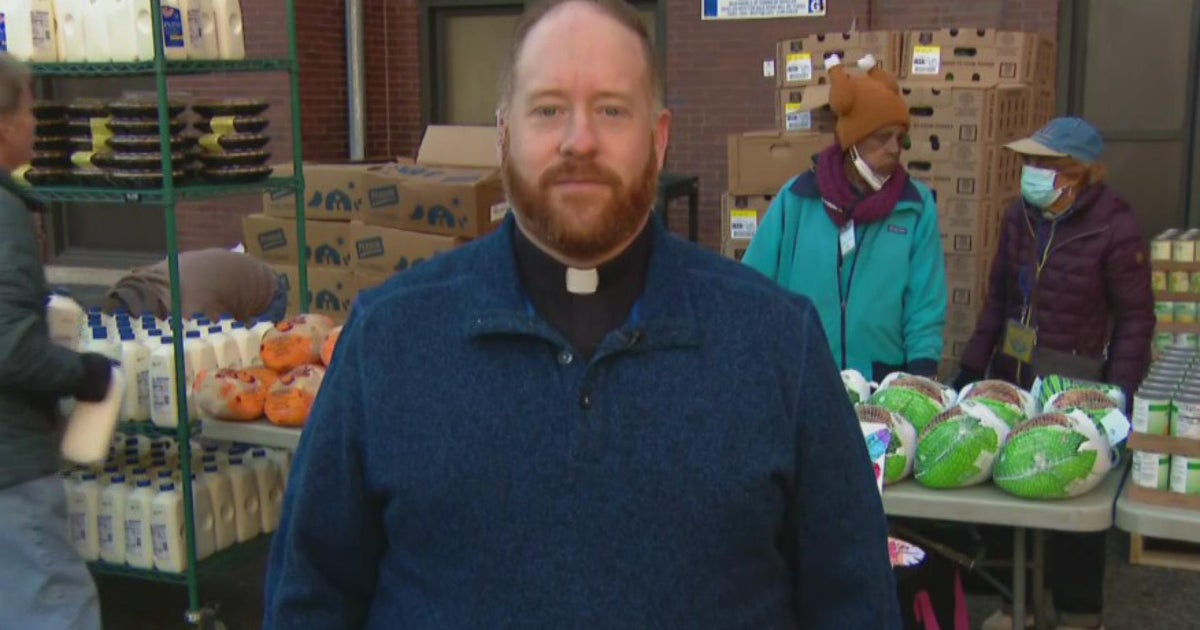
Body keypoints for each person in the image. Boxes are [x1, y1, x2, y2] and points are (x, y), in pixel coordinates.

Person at [263, 0, 900, 627]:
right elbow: (308, 598)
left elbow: (855, 601)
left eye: (611, 110)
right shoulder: (389, 340)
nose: (580, 140)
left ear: (659, 137)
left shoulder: (775, 343)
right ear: (505, 132)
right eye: (548, 110)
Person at [955, 117, 1154, 630]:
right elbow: (999, 298)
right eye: (1028, 162)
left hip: (1080, 386)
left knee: (1070, 506)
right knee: (1009, 491)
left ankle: (1079, 614)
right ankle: (1015, 603)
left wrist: (1121, 394)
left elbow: (1135, 318)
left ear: (1075, 171)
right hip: (1015, 378)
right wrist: (973, 364)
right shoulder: (1018, 216)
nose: (1030, 172)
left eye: (1041, 163)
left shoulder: (1115, 224)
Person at [742, 54, 947, 383]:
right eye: (883, 138)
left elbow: (926, 300)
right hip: (803, 375)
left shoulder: (916, 207)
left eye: (901, 138)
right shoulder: (797, 199)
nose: (895, 148)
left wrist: (922, 374)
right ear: (852, 142)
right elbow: (752, 287)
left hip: (884, 382)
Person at [0, 54, 109, 630]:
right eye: (30, 109)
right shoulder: (2, 212)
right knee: (56, 610)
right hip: (9, 466)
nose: (36, 122)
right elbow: (9, 346)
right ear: (3, 124)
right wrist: (82, 372)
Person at [103, 247, 288, 323]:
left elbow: (222, 341)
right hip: (225, 279)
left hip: (269, 291)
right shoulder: (141, 281)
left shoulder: (192, 309)